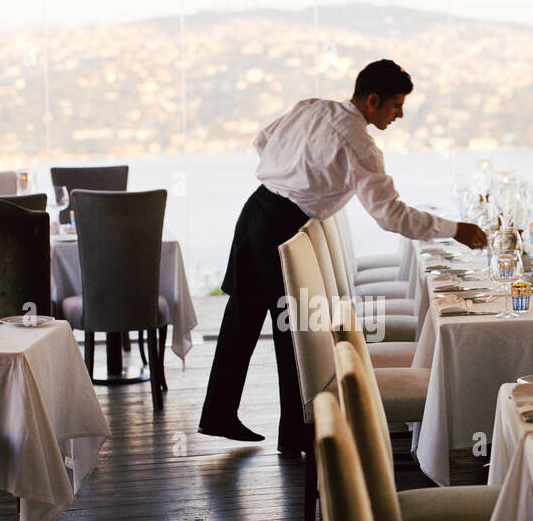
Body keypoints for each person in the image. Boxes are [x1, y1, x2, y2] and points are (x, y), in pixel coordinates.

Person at [198, 59, 488, 449]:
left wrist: (291, 174)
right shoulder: (359, 143)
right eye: (396, 105)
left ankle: (230, 417)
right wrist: (455, 229)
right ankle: (291, 432)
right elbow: (391, 215)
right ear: (372, 101)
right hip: (282, 224)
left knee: (246, 320)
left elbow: (263, 140)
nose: (400, 114)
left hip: (256, 210)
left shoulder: (311, 107)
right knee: (289, 327)